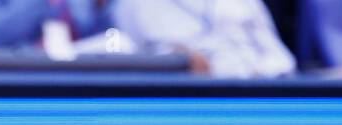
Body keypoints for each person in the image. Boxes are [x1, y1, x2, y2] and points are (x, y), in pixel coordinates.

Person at [114, 0, 296, 77]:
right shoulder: (136, 5)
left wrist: (258, 74)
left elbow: (282, 59)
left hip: (263, 102)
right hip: (194, 110)